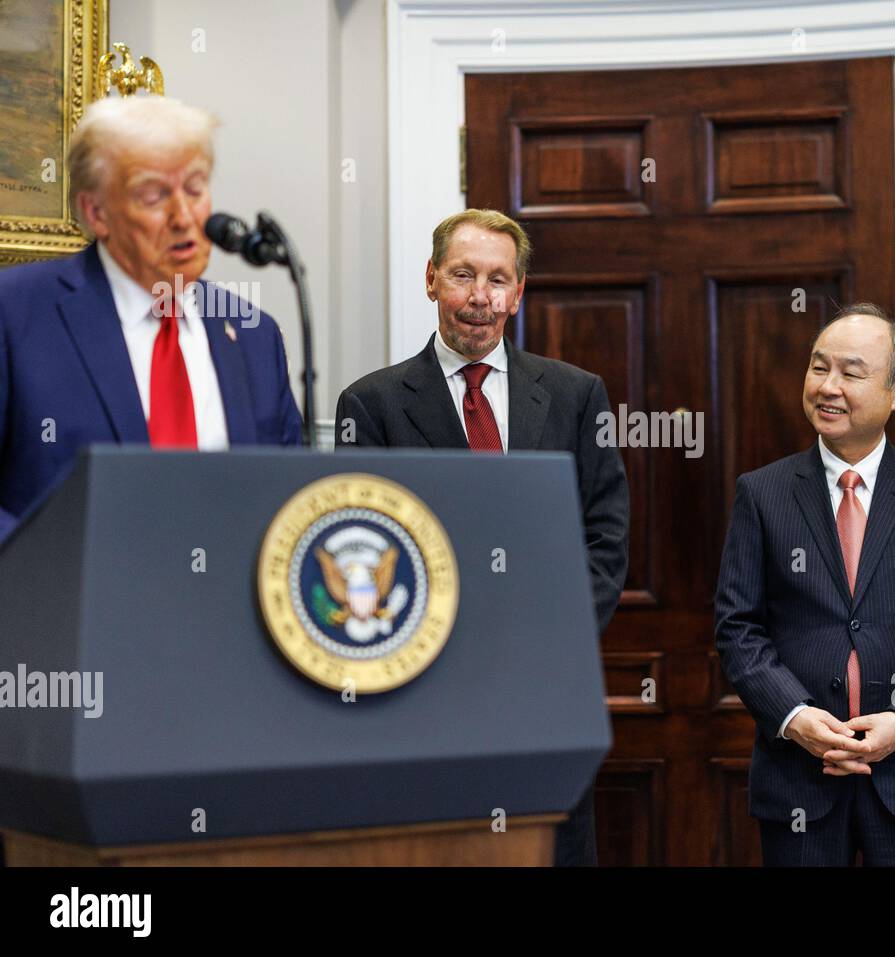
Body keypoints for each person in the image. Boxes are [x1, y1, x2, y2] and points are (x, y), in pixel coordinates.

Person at [335, 208, 629, 866]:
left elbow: (605, 538)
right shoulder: (372, 405)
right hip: (423, 701)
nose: (480, 296)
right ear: (432, 279)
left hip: (546, 692)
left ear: (519, 292)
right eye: (464, 274)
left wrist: (547, 639)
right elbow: (364, 549)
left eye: (498, 279)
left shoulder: (577, 395)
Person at [715, 303, 895, 866]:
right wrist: (795, 718)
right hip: (799, 776)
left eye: (852, 372)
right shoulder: (762, 493)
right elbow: (738, 627)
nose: (829, 387)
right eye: (819, 368)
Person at [0, 95, 303, 543]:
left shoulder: (254, 334)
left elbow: (288, 497)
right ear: (95, 212)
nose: (184, 218)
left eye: (195, 189)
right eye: (154, 195)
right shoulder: (16, 312)